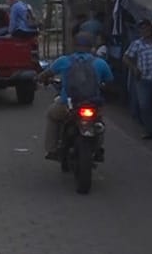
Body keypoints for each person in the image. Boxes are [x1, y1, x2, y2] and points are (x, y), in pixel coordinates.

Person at [36, 31, 114, 160]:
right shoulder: (100, 63)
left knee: (52, 115)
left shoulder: (64, 61)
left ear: (74, 45)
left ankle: (52, 149)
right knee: (98, 122)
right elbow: (110, 81)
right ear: (91, 47)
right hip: (92, 103)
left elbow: (46, 74)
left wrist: (39, 78)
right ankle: (98, 148)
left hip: (68, 104)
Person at [123, 19, 152, 140]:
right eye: (142, 28)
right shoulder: (137, 44)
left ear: (151, 27)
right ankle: (150, 130)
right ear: (139, 31)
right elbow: (126, 57)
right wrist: (134, 68)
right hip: (143, 79)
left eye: (147, 27)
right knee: (145, 106)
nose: (145, 30)